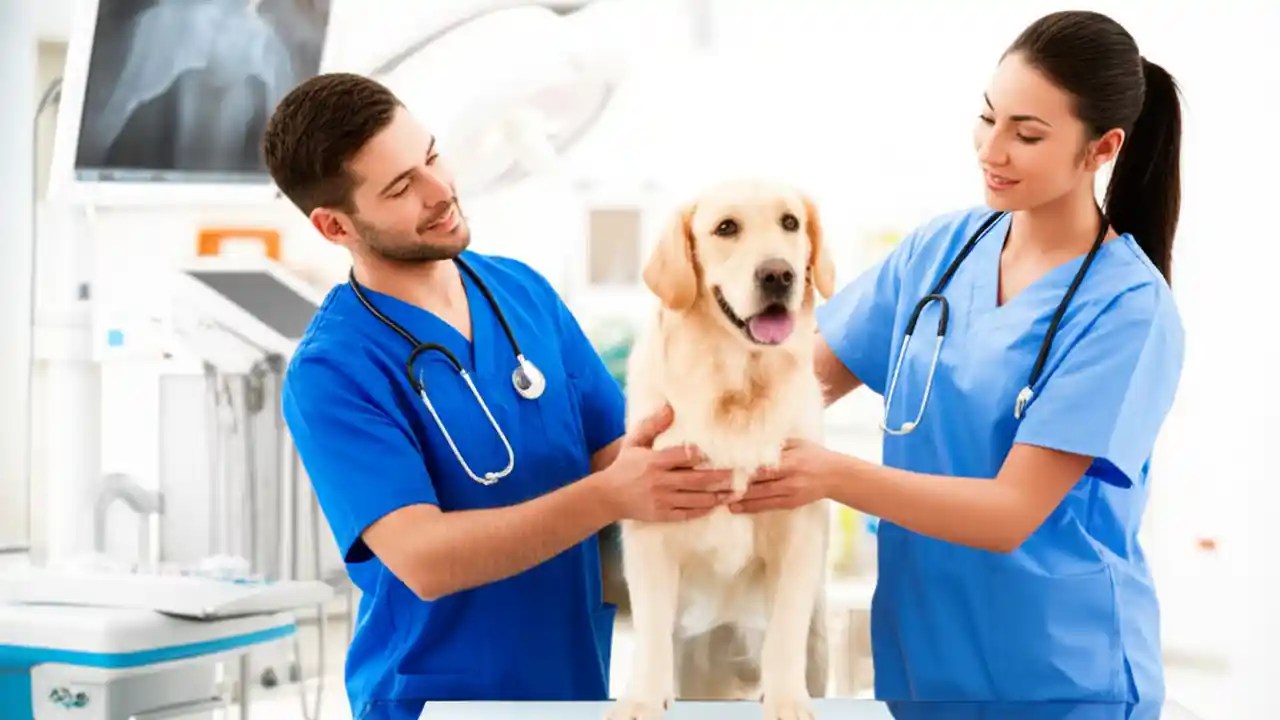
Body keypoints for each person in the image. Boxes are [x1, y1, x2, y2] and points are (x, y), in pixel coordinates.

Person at [729, 10, 1185, 705]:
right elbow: (797, 383)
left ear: (1100, 149)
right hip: (925, 667)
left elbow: (1009, 512)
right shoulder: (940, 252)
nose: (991, 150)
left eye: (1027, 134)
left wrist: (827, 473)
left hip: (1060, 683)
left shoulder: (1126, 307)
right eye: (988, 117)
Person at [263, 73, 732, 718]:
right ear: (334, 226)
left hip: (568, 690)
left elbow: (618, 452)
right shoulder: (334, 369)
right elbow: (424, 559)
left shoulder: (522, 293)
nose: (440, 192)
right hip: (436, 702)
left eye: (430, 156)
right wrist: (611, 495)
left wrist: (728, 426)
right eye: (401, 187)